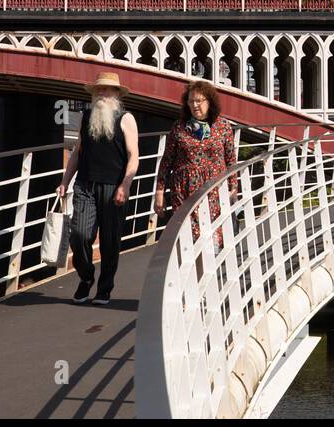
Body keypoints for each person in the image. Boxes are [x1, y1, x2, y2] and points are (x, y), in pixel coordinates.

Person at [57, 71, 139, 305]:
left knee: (110, 241)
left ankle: (104, 288)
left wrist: (125, 185)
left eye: (107, 89)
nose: (102, 93)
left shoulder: (126, 118)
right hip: (85, 184)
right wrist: (65, 181)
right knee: (80, 235)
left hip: (114, 187)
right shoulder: (86, 115)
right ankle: (86, 278)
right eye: (98, 90)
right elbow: (78, 151)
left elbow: (134, 156)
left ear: (116, 94)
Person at [155, 80, 240, 249]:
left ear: (210, 102)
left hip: (214, 191)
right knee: (189, 242)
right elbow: (166, 162)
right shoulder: (179, 128)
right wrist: (159, 192)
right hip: (184, 192)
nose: (195, 105)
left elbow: (231, 159)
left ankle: (209, 274)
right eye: (191, 101)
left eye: (199, 101)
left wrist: (233, 186)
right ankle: (194, 273)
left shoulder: (223, 126)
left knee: (212, 240)